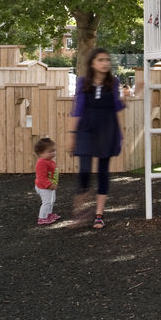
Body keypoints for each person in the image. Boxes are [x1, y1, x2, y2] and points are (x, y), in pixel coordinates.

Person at [68, 47, 125, 228]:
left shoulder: (113, 83)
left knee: (102, 172)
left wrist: (119, 134)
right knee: (84, 171)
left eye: (107, 60)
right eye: (100, 60)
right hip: (86, 128)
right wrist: (72, 135)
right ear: (92, 63)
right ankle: (80, 211)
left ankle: (99, 215)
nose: (105, 63)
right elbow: (78, 108)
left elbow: (116, 107)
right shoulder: (83, 82)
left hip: (107, 129)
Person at [33, 137, 60, 225]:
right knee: (47, 202)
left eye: (54, 151)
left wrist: (53, 184)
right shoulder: (42, 162)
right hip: (44, 187)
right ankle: (42, 218)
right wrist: (49, 185)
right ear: (40, 153)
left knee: (52, 201)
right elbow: (41, 177)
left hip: (50, 186)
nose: (53, 153)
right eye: (50, 151)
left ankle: (48, 214)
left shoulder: (49, 161)